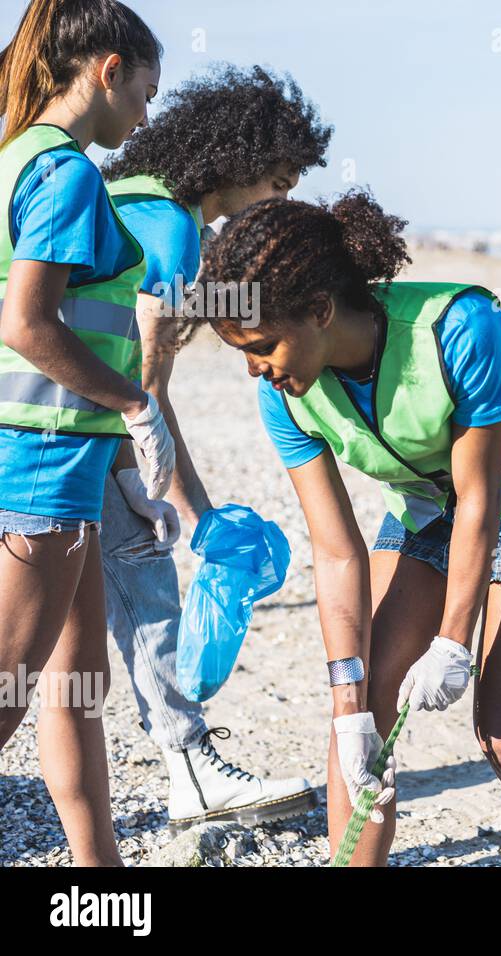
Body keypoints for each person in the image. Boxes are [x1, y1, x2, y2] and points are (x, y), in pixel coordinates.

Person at [179, 191, 501, 866]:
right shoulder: (281, 390)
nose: (256, 368)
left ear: (319, 311)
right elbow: (337, 550)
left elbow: (480, 503)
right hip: (428, 509)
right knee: (364, 710)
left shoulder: (463, 328)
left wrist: (454, 643)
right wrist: (347, 711)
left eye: (261, 346)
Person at [94, 64, 333, 834]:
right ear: (236, 163)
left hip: (43, 418)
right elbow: (144, 392)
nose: (281, 201)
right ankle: (191, 769)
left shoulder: (125, 193)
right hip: (72, 431)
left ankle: (153, 786)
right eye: (279, 181)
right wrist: (178, 510)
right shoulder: (169, 232)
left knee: (52, 638)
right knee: (144, 578)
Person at [0, 0, 169, 866]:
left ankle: (100, 886)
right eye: (144, 92)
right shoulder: (64, 173)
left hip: (50, 455)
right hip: (45, 458)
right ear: (106, 71)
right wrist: (136, 406)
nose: (145, 116)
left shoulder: (9, 154)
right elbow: (29, 324)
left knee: (74, 687)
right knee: (11, 691)